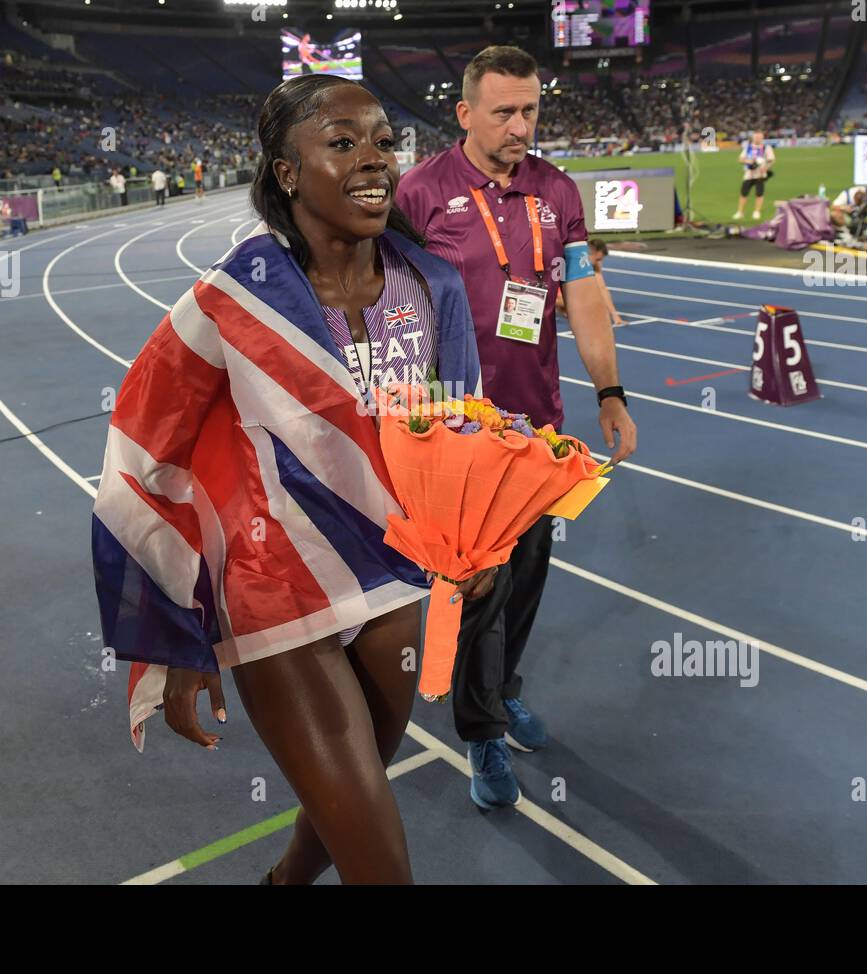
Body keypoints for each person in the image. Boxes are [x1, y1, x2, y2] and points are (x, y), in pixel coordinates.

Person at [93, 75, 487, 885]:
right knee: (380, 859)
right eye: (342, 143)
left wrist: (480, 540)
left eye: (383, 140)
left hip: (391, 575)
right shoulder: (233, 299)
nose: (374, 159)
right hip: (275, 585)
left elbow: (462, 427)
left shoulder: (431, 285)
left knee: (352, 793)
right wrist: (175, 629)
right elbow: (143, 449)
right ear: (285, 172)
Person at [397, 45, 637, 810]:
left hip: (536, 431)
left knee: (527, 578)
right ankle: (482, 733)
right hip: (455, 436)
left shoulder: (557, 190)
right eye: (503, 111)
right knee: (479, 591)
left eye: (530, 109)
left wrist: (611, 391)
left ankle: (502, 689)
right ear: (464, 113)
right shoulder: (420, 194)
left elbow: (586, 296)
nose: (519, 124)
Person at [733, 130, 774, 220]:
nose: (757, 139)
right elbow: (740, 159)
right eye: (756, 137)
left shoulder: (766, 148)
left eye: (759, 137)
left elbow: (771, 160)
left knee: (759, 193)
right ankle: (740, 212)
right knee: (743, 193)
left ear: (762, 138)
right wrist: (749, 161)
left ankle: (756, 212)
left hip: (760, 174)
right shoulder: (748, 148)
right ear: (753, 137)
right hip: (748, 174)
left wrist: (766, 167)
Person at [588, 238, 624, 327]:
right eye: (598, 259)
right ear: (594, 251)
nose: (599, 262)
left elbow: (601, 288)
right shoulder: (575, 259)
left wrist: (615, 316)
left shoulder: (595, 263)